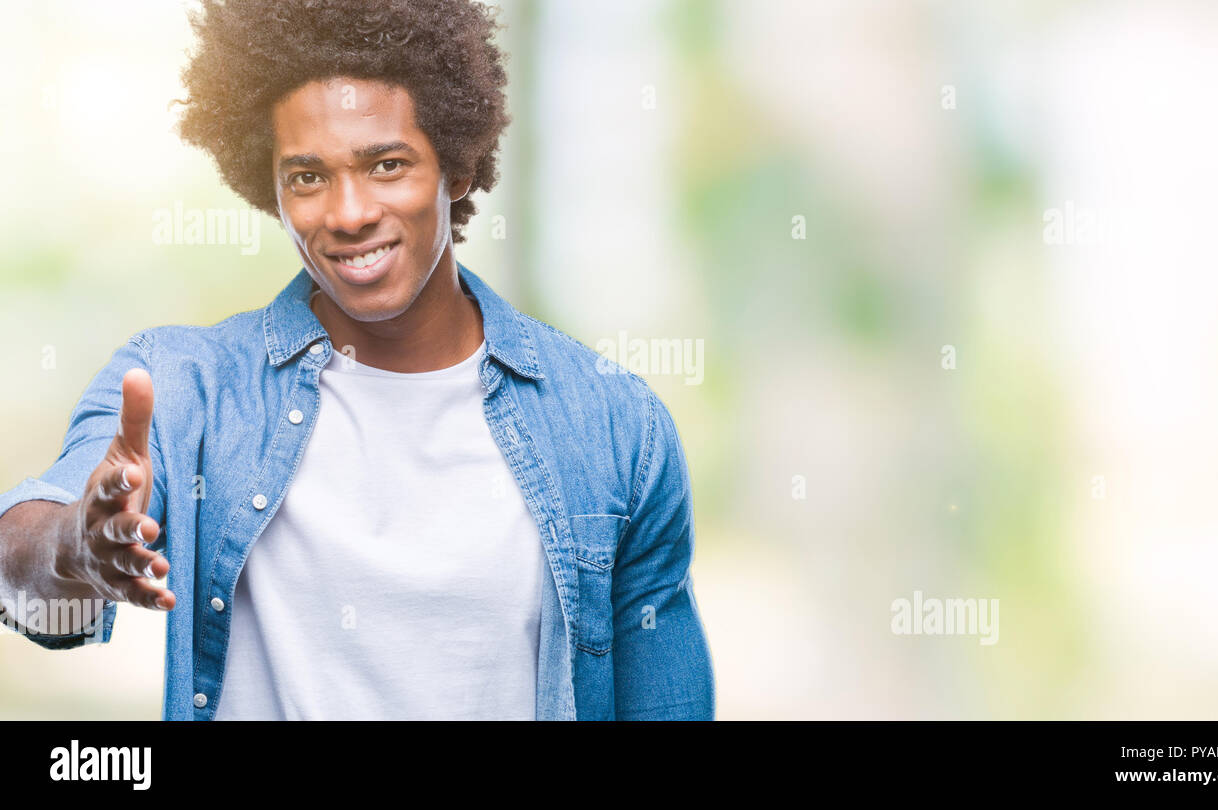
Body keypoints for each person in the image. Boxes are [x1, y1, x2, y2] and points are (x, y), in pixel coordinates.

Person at [0, 0, 714, 721]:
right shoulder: (181, 388)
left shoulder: (616, 427)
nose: (348, 213)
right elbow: (24, 564)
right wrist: (74, 548)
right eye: (308, 177)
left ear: (457, 166)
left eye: (387, 165)